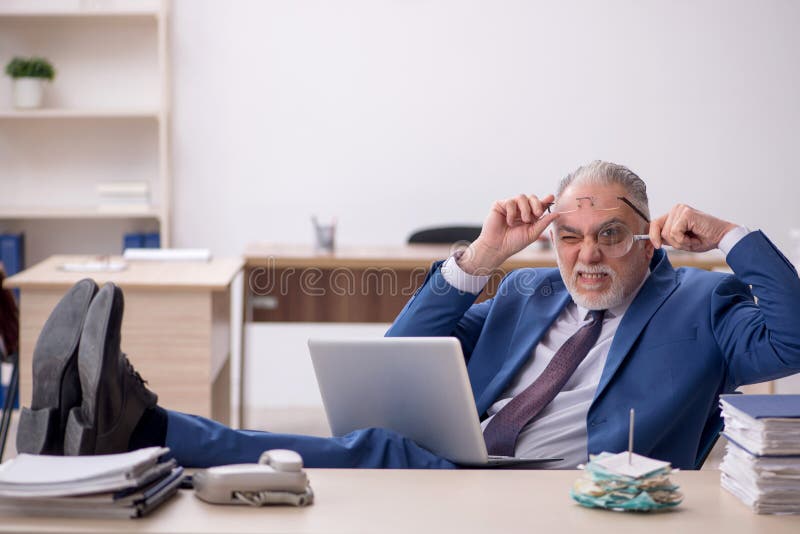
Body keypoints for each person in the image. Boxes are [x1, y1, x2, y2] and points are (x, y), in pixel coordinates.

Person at [16, 161, 800, 470]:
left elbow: (792, 337)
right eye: (568, 236)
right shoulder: (526, 292)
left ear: (649, 237)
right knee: (369, 448)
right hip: (463, 466)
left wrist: (732, 239)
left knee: (366, 452)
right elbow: (403, 353)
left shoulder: (703, 303)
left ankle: (135, 425)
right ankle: (121, 429)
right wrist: (483, 257)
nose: (586, 255)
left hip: (570, 493)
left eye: (611, 235)